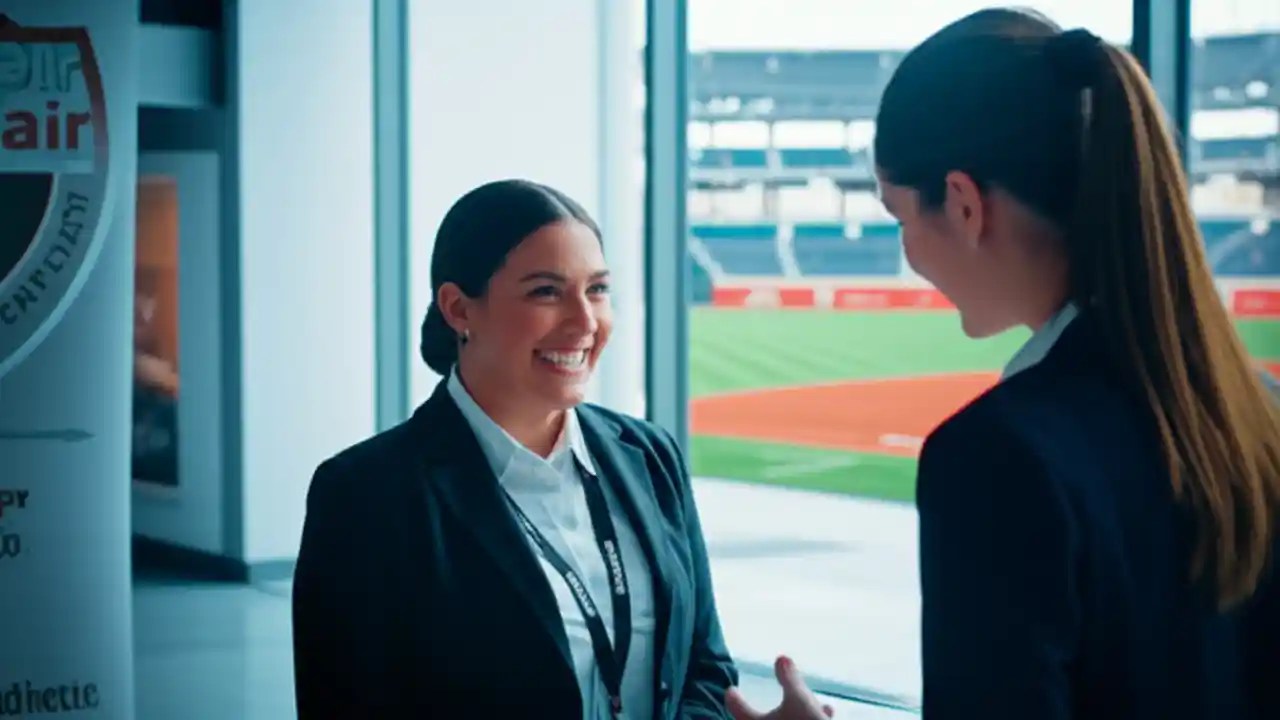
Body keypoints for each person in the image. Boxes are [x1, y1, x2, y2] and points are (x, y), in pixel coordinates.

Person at [728, 9, 1280, 720]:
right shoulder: (1254, 410)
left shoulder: (998, 456)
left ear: (962, 203)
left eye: (900, 218)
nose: (908, 253)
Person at [292, 179, 738, 718]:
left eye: (597, 289)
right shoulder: (366, 496)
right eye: (546, 292)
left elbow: (704, 669)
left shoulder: (650, 457)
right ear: (458, 309)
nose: (585, 321)